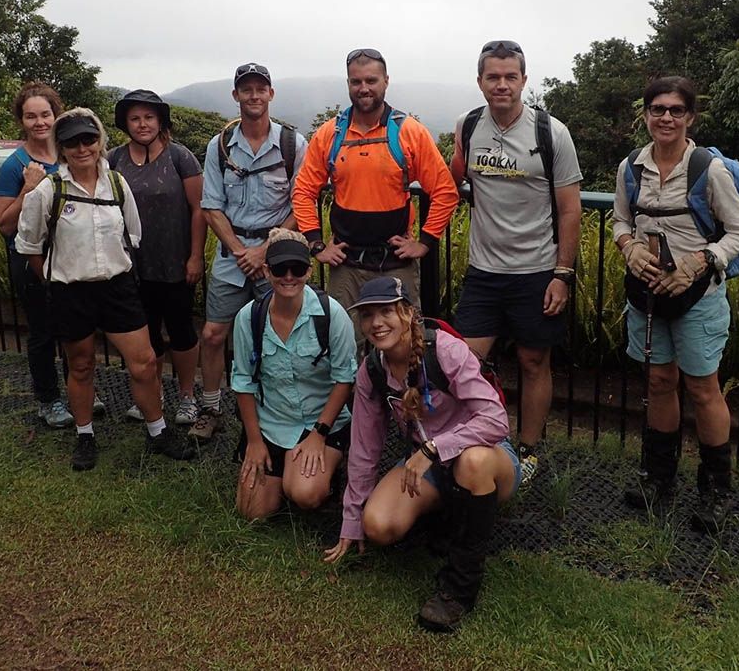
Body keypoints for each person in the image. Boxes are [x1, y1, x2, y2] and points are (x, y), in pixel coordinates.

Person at [324, 277, 521, 633]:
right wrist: (351, 520)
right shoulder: (372, 370)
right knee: (379, 525)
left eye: (386, 311)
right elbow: (364, 450)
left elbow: (496, 420)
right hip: (428, 466)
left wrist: (434, 448)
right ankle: (446, 517)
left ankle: (459, 589)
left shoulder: (445, 350)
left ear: (408, 313)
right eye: (368, 315)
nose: (377, 323)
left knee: (472, 462)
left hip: (487, 460)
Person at [611, 76, 739, 532]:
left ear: (690, 117)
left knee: (702, 388)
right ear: (646, 115)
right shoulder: (630, 167)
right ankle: (659, 478)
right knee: (658, 380)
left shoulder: (707, 170)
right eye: (657, 109)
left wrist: (699, 261)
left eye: (675, 110)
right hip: (648, 293)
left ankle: (717, 490)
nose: (666, 117)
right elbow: (620, 220)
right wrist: (630, 248)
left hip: (700, 296)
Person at [16, 108, 196, 471]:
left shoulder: (116, 184)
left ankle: (157, 430)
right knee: (81, 365)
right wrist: (57, 277)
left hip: (117, 287)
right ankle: (85, 434)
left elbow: (132, 234)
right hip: (71, 291)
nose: (82, 148)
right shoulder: (47, 192)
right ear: (60, 148)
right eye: (72, 142)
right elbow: (30, 247)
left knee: (144, 362)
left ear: (100, 142)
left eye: (89, 139)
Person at [449, 40, 583, 477]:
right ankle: (477, 438)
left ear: (524, 80)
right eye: (493, 77)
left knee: (533, 360)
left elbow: (569, 208)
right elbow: (454, 182)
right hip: (484, 271)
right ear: (480, 81)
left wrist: (562, 274)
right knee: (465, 360)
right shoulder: (468, 126)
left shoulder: (551, 132)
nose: (501, 85)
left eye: (510, 77)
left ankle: (528, 450)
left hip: (536, 270)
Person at [292, 48, 458, 322]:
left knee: (404, 345)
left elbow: (444, 190)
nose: (364, 88)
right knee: (345, 347)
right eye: (356, 82)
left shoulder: (408, 132)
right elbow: (304, 190)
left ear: (386, 81)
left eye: (371, 81)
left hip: (396, 262)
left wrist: (425, 242)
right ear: (348, 84)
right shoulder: (331, 134)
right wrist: (317, 245)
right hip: (346, 264)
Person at [198, 63, 307, 442]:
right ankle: (211, 407)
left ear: (271, 94)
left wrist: (264, 251)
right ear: (236, 96)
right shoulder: (220, 145)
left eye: (261, 89)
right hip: (232, 256)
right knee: (213, 334)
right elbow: (211, 205)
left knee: (279, 334)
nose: (254, 96)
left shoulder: (293, 144)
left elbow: (302, 206)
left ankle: (276, 411)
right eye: (247, 90)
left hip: (275, 258)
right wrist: (242, 251)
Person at [231, 230, 357, 520]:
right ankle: (286, 473)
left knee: (305, 493)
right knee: (251, 510)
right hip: (272, 422)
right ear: (266, 270)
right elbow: (243, 381)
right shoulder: (249, 318)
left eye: (297, 268)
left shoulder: (332, 315)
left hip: (321, 421)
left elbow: (344, 379)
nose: (289, 276)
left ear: (310, 271)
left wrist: (318, 435)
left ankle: (320, 475)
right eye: (279, 269)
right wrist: (254, 440)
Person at [107, 89, 207, 426]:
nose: (142, 124)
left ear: (160, 120)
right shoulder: (113, 159)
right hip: (131, 265)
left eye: (149, 117)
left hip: (175, 262)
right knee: (145, 333)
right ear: (126, 123)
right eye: (135, 118)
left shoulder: (181, 157)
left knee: (181, 331)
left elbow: (198, 210)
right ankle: (154, 394)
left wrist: (196, 256)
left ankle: (187, 395)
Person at [0, 81, 83, 428]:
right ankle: (49, 399)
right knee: (43, 331)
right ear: (21, 121)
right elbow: (3, 224)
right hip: (30, 258)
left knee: (76, 325)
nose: (39, 122)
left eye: (45, 114)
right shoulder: (15, 165)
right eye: (31, 116)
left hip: (69, 253)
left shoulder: (69, 155)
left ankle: (79, 388)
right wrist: (28, 189)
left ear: (56, 115)